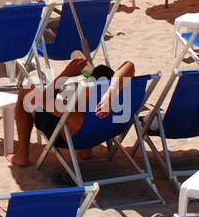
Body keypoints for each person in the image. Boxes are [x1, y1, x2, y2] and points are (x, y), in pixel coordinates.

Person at [8, 56, 137, 167]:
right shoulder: (118, 98)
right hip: (102, 133)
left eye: (88, 79)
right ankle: (86, 151)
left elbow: (40, 101)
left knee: (26, 90)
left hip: (70, 136)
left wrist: (66, 74)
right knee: (89, 119)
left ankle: (22, 155)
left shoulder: (76, 105)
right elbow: (129, 65)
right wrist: (110, 94)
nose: (85, 80)